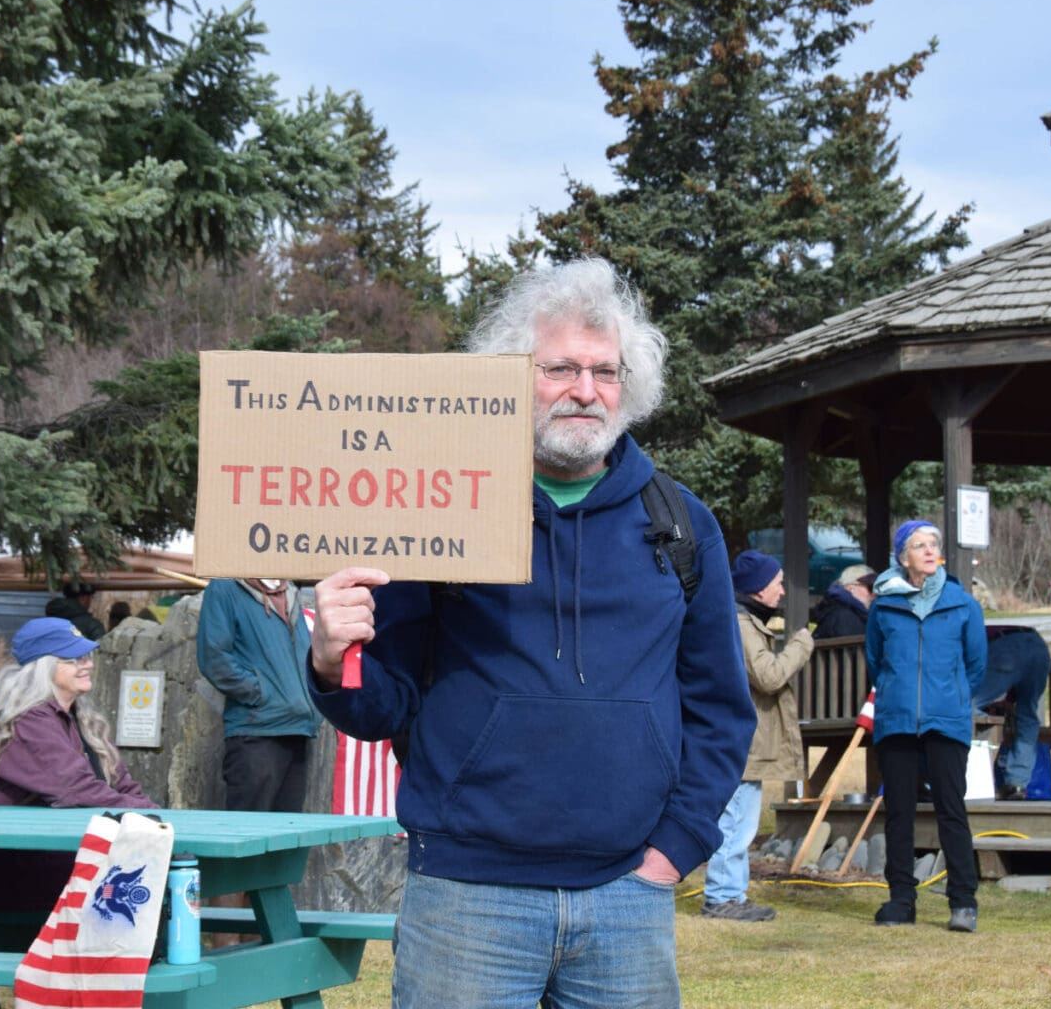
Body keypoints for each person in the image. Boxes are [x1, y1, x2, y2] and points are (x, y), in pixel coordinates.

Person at [308, 258, 755, 1007]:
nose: (586, 391)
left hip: (627, 895)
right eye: (561, 368)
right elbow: (385, 704)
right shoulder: (439, 511)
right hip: (466, 896)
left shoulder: (680, 525)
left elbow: (719, 709)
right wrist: (331, 659)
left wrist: (675, 851)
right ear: (510, 378)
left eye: (605, 371)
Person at [0, 617, 157, 912]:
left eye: (87, 656)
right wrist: (148, 816)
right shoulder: (27, 722)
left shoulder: (83, 719)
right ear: (44, 667)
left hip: (70, 859)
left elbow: (122, 784)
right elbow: (77, 791)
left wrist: (153, 816)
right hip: (20, 874)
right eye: (73, 658)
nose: (87, 664)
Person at [866, 519, 985, 933]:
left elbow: (976, 665)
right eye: (920, 545)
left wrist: (947, 698)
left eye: (934, 544)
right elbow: (876, 662)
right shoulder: (883, 606)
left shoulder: (963, 604)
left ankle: (963, 902)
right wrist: (899, 694)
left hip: (946, 722)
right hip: (896, 720)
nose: (930, 550)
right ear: (903, 557)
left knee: (952, 810)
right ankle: (901, 900)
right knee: (898, 812)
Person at [703, 550, 813, 921]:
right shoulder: (742, 624)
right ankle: (722, 898)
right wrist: (800, 645)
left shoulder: (742, 621)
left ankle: (731, 893)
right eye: (777, 584)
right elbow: (768, 677)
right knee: (735, 822)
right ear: (757, 588)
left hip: (741, 740)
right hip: (740, 743)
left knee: (739, 821)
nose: (782, 592)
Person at [196, 579, 321, 814]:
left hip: (299, 729)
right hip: (255, 733)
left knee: (286, 836)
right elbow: (214, 658)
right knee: (248, 837)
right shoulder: (225, 588)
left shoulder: (290, 590)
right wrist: (261, 693)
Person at [974, 625, 1051, 800]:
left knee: (964, 707)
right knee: (1028, 715)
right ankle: (1016, 784)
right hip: (1039, 647)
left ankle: (975, 777)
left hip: (1006, 648)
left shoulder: (958, 635)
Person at [812, 563, 878, 639]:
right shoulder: (844, 616)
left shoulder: (849, 613)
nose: (875, 593)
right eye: (871, 587)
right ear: (850, 588)